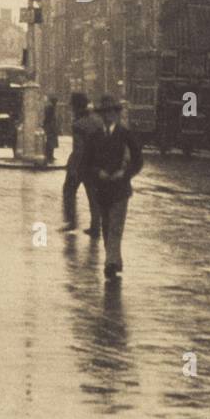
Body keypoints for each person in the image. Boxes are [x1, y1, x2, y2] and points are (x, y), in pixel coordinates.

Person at [82, 95, 144, 279]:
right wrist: (97, 173)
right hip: (101, 188)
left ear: (116, 114)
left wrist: (124, 174)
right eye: (105, 113)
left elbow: (138, 160)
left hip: (120, 188)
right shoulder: (94, 136)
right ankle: (115, 260)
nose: (108, 116)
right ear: (101, 115)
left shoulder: (125, 134)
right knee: (106, 226)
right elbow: (86, 163)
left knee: (116, 226)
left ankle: (109, 262)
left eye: (112, 112)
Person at [62, 92, 102, 234]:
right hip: (96, 164)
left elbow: (79, 149)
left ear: (76, 107)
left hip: (81, 165)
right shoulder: (98, 121)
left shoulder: (78, 125)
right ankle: (96, 226)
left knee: (68, 190)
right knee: (93, 195)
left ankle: (71, 221)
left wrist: (73, 167)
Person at [43, 97, 59, 166]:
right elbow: (48, 118)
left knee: (50, 141)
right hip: (51, 127)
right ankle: (49, 155)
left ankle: (50, 155)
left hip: (50, 127)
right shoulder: (51, 108)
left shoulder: (50, 107)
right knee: (50, 141)